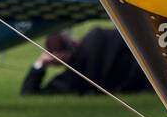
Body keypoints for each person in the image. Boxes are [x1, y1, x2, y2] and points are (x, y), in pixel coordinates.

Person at [20, 27, 150, 95]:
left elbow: (29, 91)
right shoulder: (99, 36)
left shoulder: (72, 80)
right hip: (149, 82)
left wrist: (40, 64)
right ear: (74, 42)